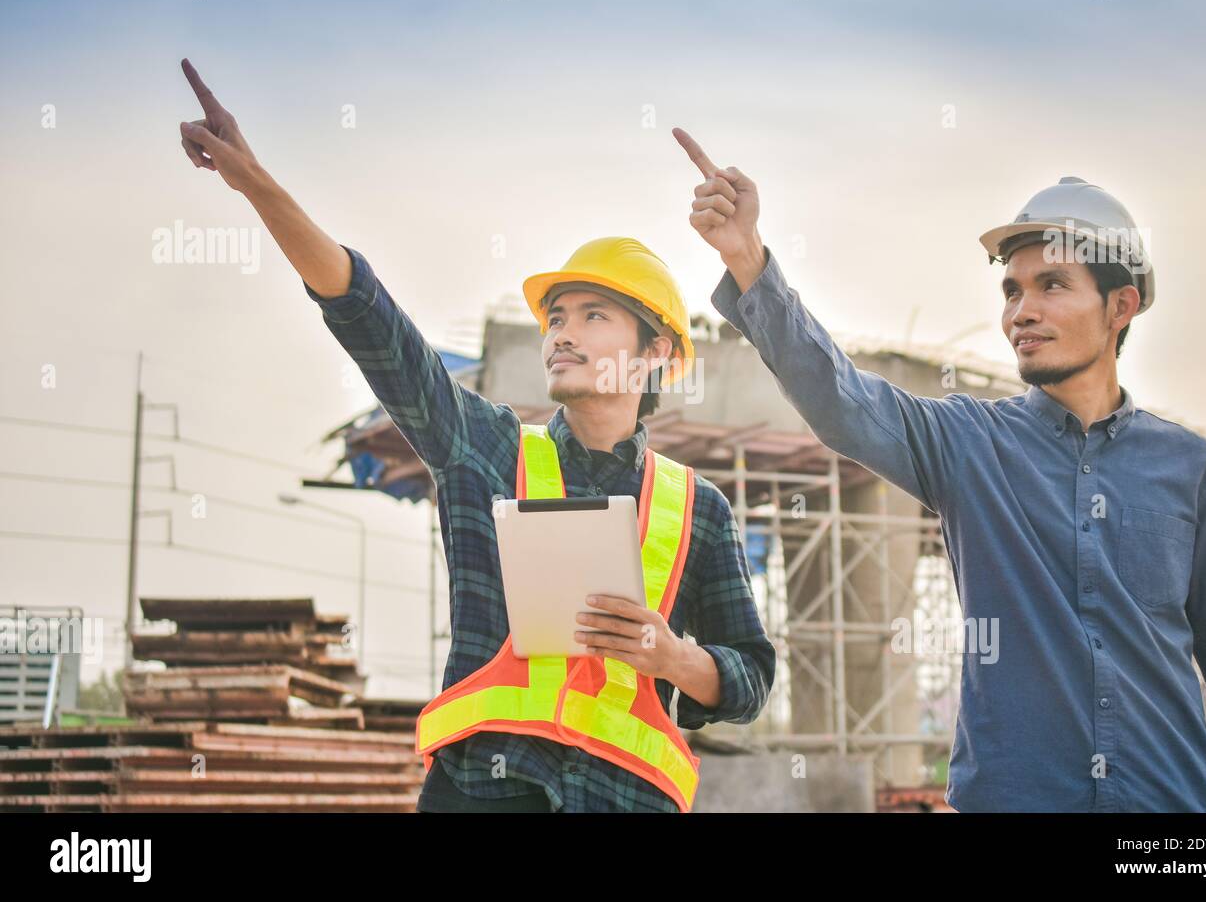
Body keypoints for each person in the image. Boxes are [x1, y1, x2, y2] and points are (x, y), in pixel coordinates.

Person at [176, 59, 774, 812]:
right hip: (489, 789)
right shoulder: (484, 450)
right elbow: (372, 322)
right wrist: (258, 185)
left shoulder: (698, 508)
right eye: (557, 317)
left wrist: (674, 656)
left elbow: (750, 678)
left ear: (655, 353)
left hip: (627, 798)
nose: (562, 333)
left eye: (593, 316)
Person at [672, 127, 1206, 812]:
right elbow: (842, 401)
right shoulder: (967, 444)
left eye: (1052, 285)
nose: (1020, 312)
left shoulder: (1194, 470)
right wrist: (749, 259)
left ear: (1121, 306)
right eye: (1011, 289)